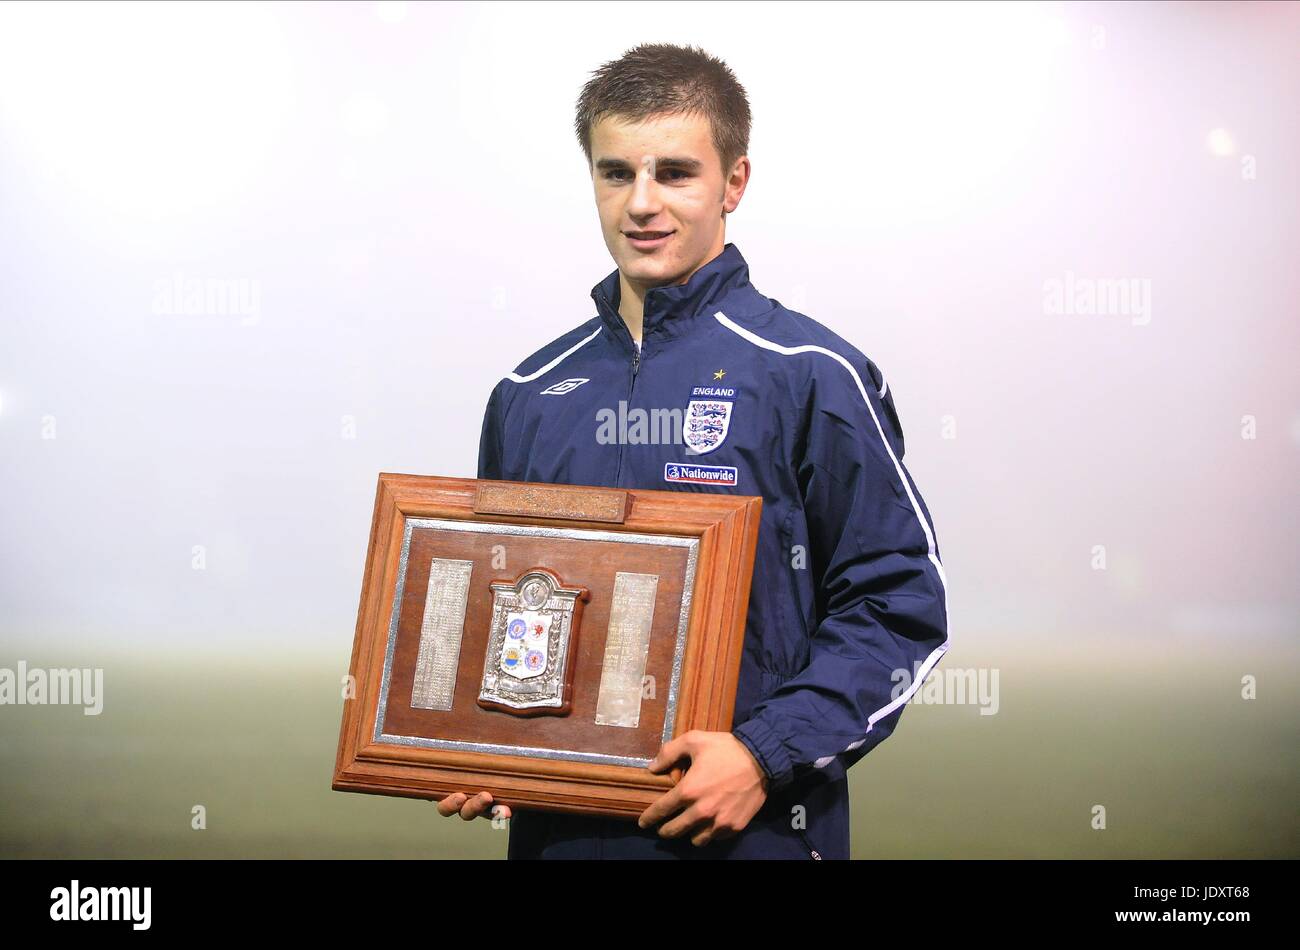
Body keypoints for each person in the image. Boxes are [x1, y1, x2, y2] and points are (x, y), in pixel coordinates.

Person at [437, 42, 949, 860]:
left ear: (733, 183)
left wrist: (761, 755)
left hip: (750, 838)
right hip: (560, 840)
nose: (642, 203)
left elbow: (896, 608)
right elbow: (509, 605)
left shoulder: (812, 375)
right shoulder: (529, 391)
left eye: (675, 173)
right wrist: (473, 736)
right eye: (615, 173)